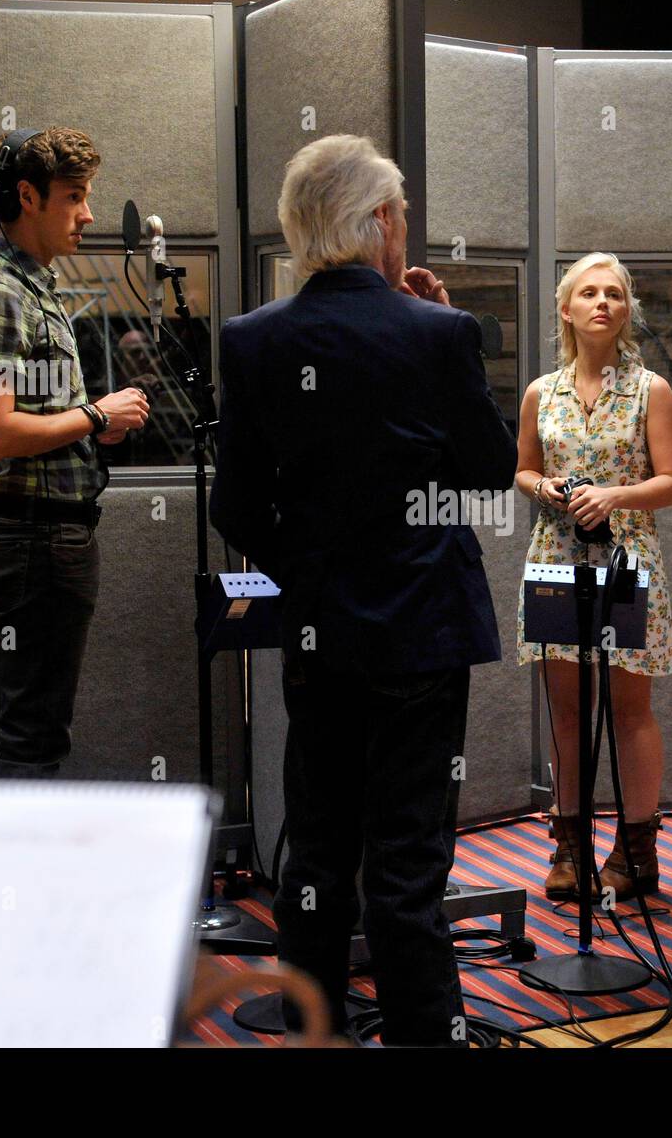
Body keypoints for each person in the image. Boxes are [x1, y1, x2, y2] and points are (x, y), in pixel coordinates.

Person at [209, 133, 516, 1046]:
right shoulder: (439, 333)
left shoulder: (253, 340)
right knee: (408, 860)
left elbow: (237, 505)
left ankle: (315, 1025)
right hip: (424, 632)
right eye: (402, 217)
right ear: (380, 221)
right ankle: (425, 1031)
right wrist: (450, 337)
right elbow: (493, 470)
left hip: (319, 638)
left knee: (318, 850)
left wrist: (308, 569)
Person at [0, 126, 148, 777]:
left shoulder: (34, 286)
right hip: (35, 541)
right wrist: (95, 413)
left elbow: (28, 423)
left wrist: (91, 428)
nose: (89, 213)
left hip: (40, 538)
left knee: (5, 725)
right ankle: (12, 882)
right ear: (28, 196)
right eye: (75, 196)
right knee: (31, 738)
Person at [513, 252, 672, 902]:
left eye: (613, 293)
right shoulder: (541, 392)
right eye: (589, 292)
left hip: (625, 562)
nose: (602, 302)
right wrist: (547, 486)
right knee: (565, 709)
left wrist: (613, 496)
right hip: (556, 557)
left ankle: (637, 852)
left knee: (631, 710)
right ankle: (568, 848)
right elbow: (523, 470)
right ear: (566, 308)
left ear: (626, 309)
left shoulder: (651, 390)